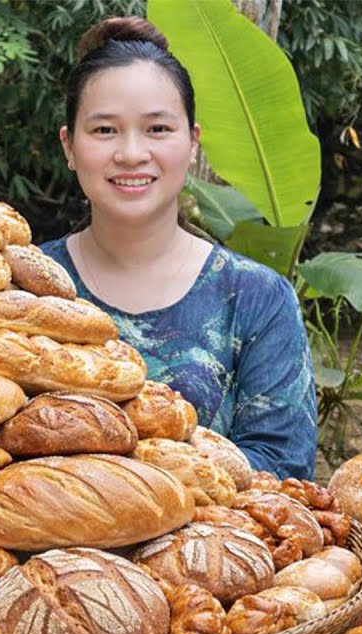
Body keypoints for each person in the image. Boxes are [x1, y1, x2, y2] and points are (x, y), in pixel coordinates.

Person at [37, 16, 319, 481]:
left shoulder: (255, 298)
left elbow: (284, 470)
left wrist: (128, 484)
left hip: (210, 550)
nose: (131, 153)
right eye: (105, 130)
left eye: (158, 129)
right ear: (69, 146)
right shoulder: (27, 287)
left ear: (192, 142)